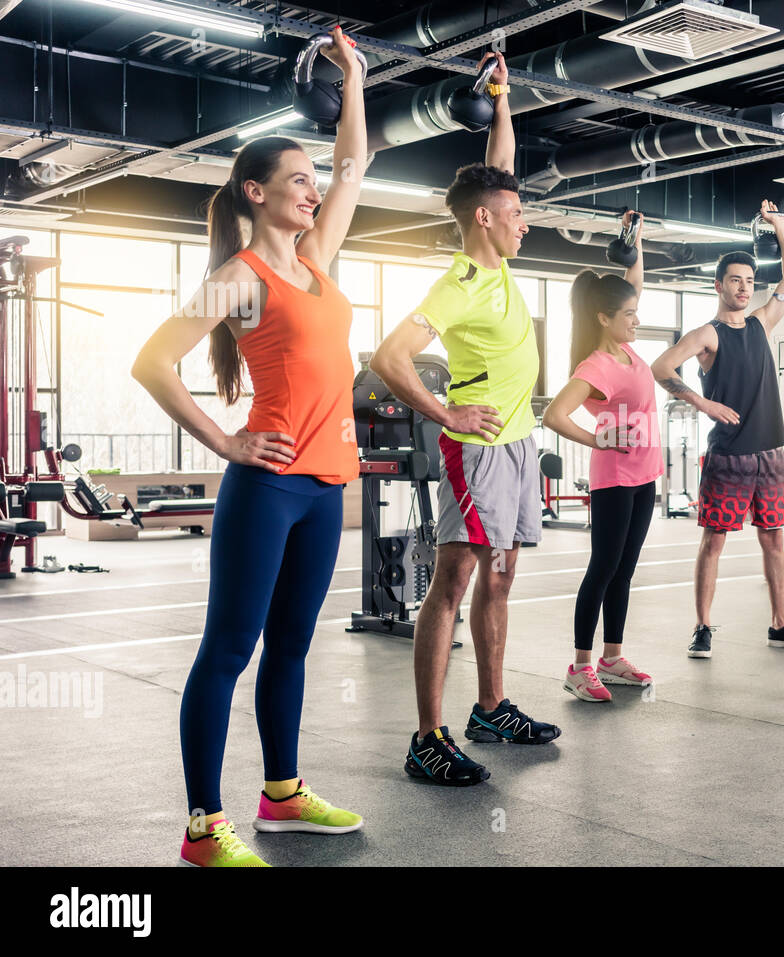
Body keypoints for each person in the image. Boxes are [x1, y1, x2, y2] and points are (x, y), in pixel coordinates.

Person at [132, 27, 367, 866]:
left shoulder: (319, 261)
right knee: (229, 648)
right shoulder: (241, 277)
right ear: (256, 191)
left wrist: (357, 77)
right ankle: (204, 827)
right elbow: (153, 362)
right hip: (267, 487)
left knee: (295, 646)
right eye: (295, 180)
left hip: (326, 485)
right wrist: (227, 440)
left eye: (311, 179)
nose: (312, 190)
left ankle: (283, 794)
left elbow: (354, 167)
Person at [369, 51, 558, 787]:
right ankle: (427, 736)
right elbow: (390, 355)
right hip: (475, 451)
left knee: (501, 576)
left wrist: (503, 99)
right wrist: (445, 408)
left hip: (516, 445)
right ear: (485, 222)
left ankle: (489, 707)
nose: (525, 225)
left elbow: (499, 170)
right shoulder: (461, 284)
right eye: (516, 216)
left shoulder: (499, 258)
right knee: (452, 580)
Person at [650, 200, 784, 659]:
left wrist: (781, 227)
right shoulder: (708, 335)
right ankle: (702, 627)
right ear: (719, 285)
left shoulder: (763, 323)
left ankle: (780, 624)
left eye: (748, 282)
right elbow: (661, 367)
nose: (744, 288)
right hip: (730, 455)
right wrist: (702, 403)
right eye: (735, 281)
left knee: (775, 538)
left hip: (771, 453)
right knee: (714, 542)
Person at [542, 211, 662, 701]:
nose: (637, 318)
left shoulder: (626, 350)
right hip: (615, 478)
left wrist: (638, 238)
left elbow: (633, 280)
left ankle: (612, 657)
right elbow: (554, 415)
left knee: (626, 569)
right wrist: (598, 441)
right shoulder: (598, 365)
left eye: (634, 312)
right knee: (603, 568)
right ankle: (581, 665)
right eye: (629, 314)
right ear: (604, 319)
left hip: (645, 474)